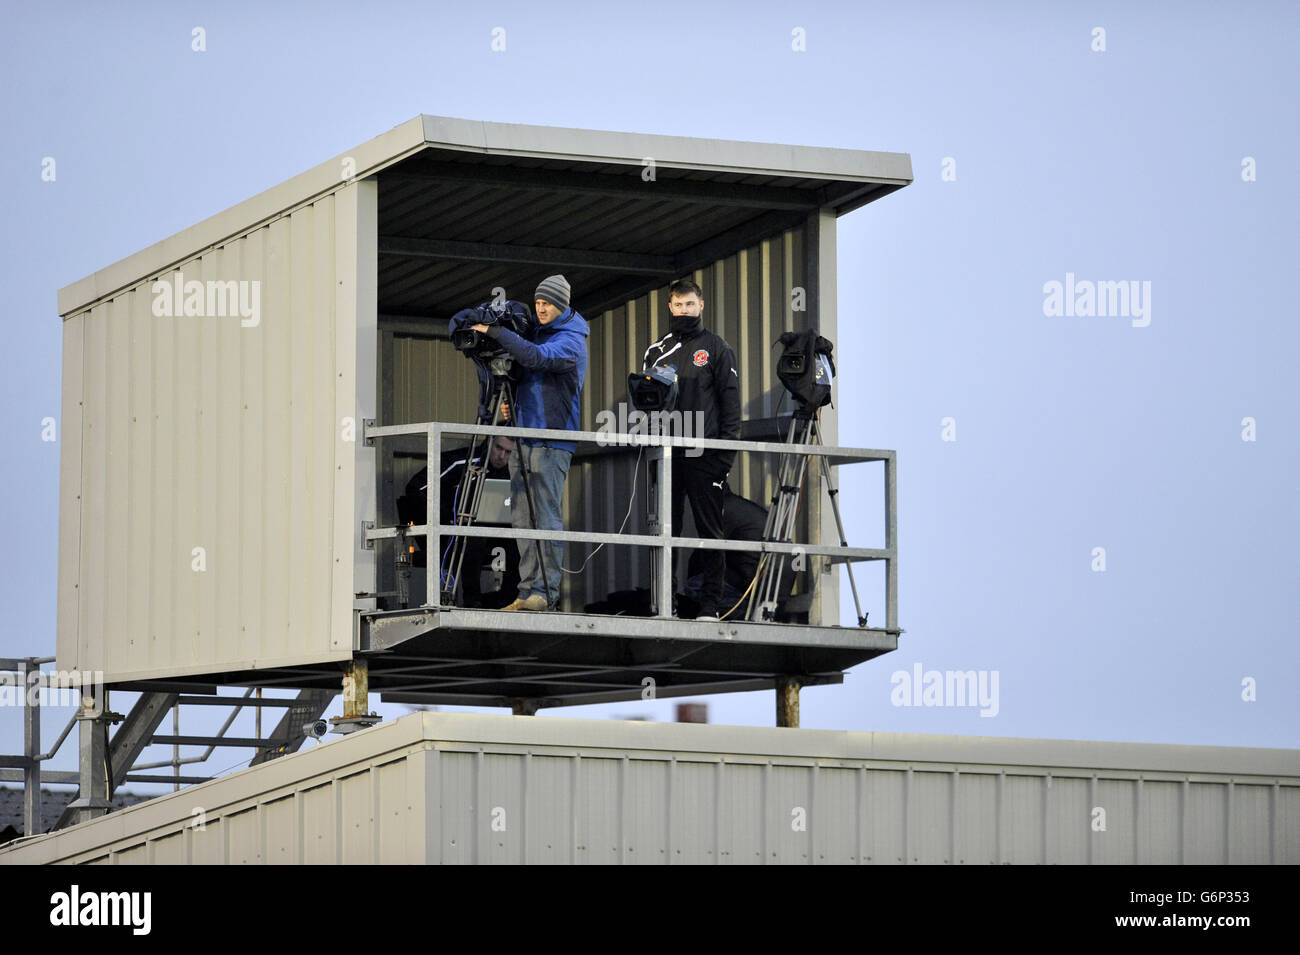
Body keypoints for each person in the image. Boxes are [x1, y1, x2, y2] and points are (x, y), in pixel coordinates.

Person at [472, 275, 589, 611]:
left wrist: (496, 332)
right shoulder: (539, 331)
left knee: (546, 517)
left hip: (551, 442)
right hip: (525, 437)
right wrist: (512, 408)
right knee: (522, 518)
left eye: (547, 303)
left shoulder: (571, 339)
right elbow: (527, 373)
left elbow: (537, 359)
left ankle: (545, 591)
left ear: (562, 304)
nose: (540, 309)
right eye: (538, 303)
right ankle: (526, 593)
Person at [642, 278, 741, 621]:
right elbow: (645, 404)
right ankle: (664, 604)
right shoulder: (656, 350)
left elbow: (731, 407)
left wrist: (724, 459)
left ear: (701, 305)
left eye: (690, 304)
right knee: (664, 530)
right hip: (667, 456)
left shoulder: (716, 347)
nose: (684, 310)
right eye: (678, 305)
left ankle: (709, 607)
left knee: (710, 531)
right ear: (670, 307)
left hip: (705, 456)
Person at [395, 434, 520, 608]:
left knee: (520, 540)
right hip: (448, 535)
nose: (502, 457)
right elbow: (415, 488)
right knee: (473, 532)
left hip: (487, 537)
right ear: (489, 442)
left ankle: (508, 600)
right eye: (499, 448)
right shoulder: (460, 462)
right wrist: (450, 516)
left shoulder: (513, 470)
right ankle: (472, 601)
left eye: (508, 452)